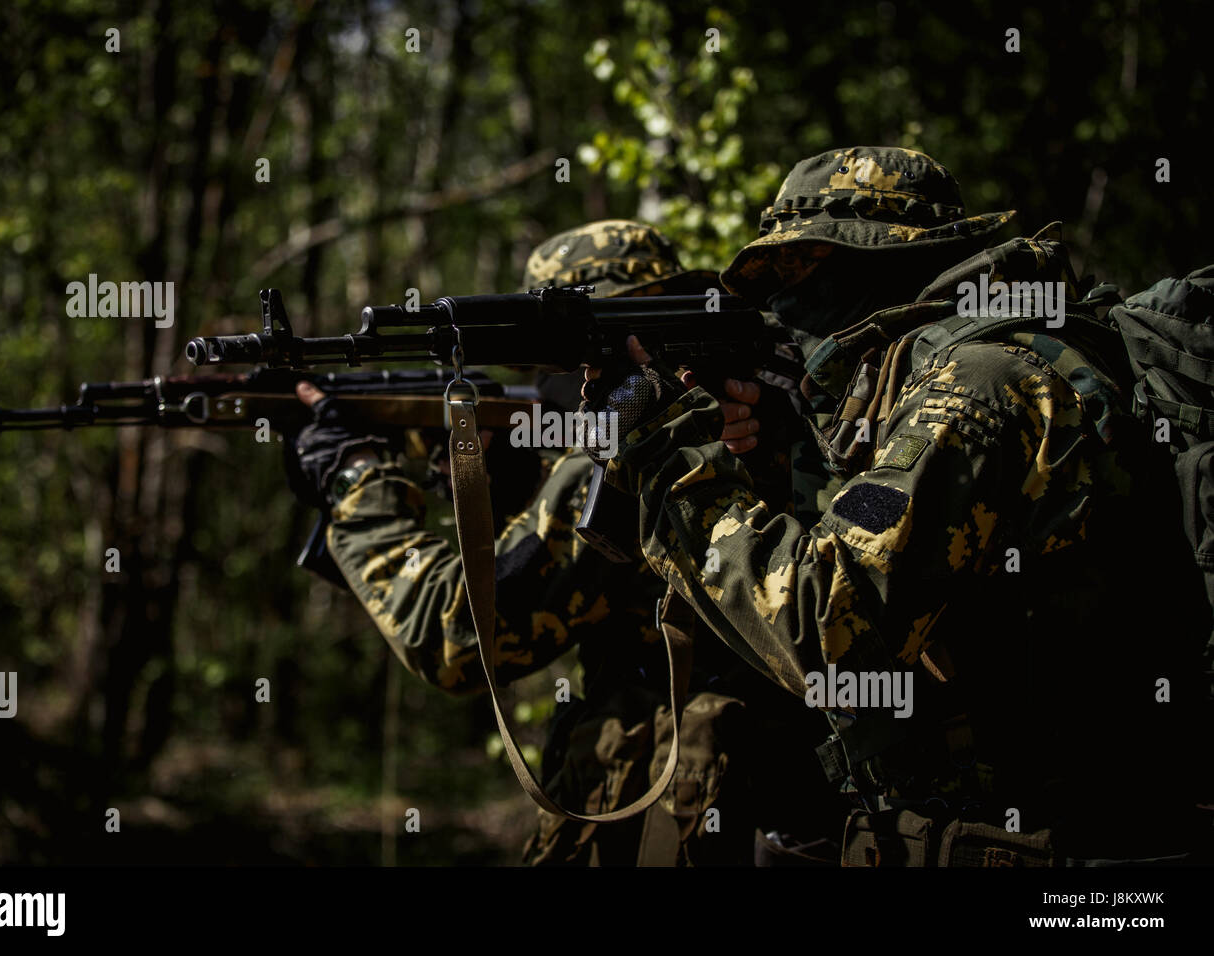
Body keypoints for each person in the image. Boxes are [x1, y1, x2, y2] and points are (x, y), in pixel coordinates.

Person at [580, 148, 1208, 865]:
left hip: (1058, 845)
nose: (785, 299)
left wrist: (669, 454)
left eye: (802, 267)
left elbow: (831, 631)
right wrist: (775, 468)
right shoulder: (938, 380)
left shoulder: (983, 383)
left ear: (887, 261)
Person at [287, 219, 841, 865]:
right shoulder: (755, 412)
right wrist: (507, 480)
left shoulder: (638, 447)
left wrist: (358, 480)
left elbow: (463, 638)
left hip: (696, 812)